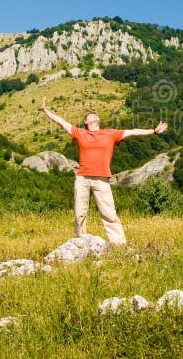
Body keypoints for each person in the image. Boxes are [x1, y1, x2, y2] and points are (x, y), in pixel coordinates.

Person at [40, 96, 168, 246]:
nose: (93, 117)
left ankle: (119, 244)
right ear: (86, 122)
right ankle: (79, 243)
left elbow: (133, 131)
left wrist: (153, 131)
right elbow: (61, 122)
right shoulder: (79, 133)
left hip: (102, 179)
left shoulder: (110, 134)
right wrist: (45, 110)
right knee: (80, 213)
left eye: (95, 116)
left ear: (98, 120)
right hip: (82, 178)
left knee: (109, 213)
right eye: (89, 117)